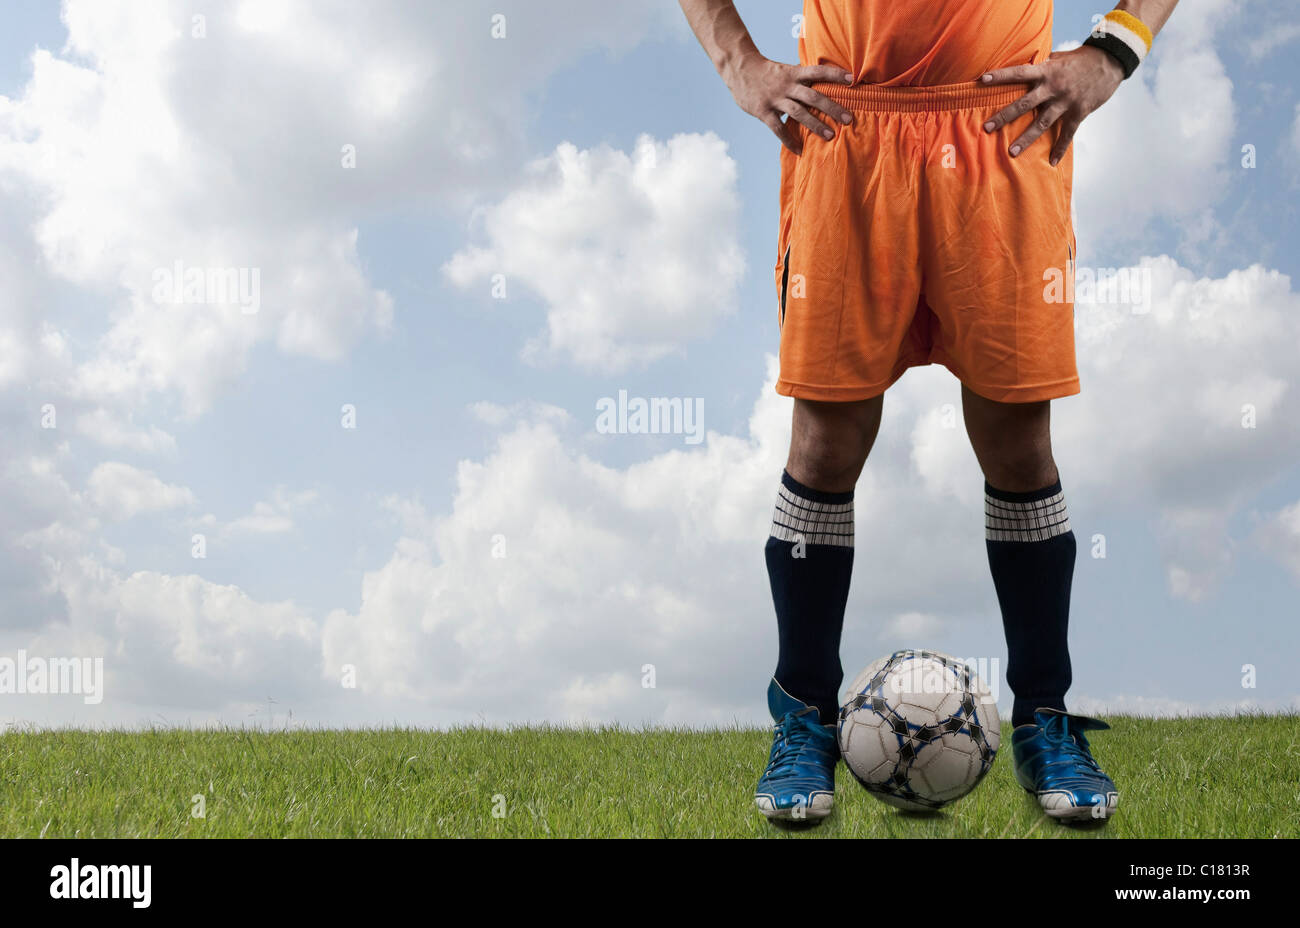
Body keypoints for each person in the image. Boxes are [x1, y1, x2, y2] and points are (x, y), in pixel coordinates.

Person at [678, 0, 1180, 823]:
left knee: (1019, 443)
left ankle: (1044, 717)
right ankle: (804, 715)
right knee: (825, 441)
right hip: (846, 127)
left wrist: (1112, 53)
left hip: (1003, 130)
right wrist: (740, 63)